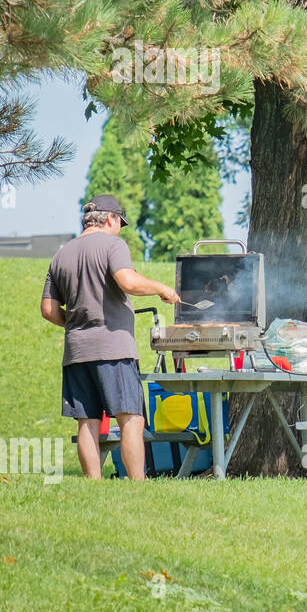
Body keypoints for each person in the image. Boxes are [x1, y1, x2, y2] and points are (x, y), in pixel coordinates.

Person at [40, 195, 180, 480]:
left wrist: (77, 323)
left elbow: (48, 309)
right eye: (120, 223)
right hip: (114, 348)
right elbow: (127, 281)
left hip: (76, 352)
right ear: (110, 218)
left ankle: (93, 483)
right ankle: (137, 485)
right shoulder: (113, 244)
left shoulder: (61, 254)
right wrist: (161, 288)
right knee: (131, 418)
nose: (120, 229)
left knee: (87, 421)